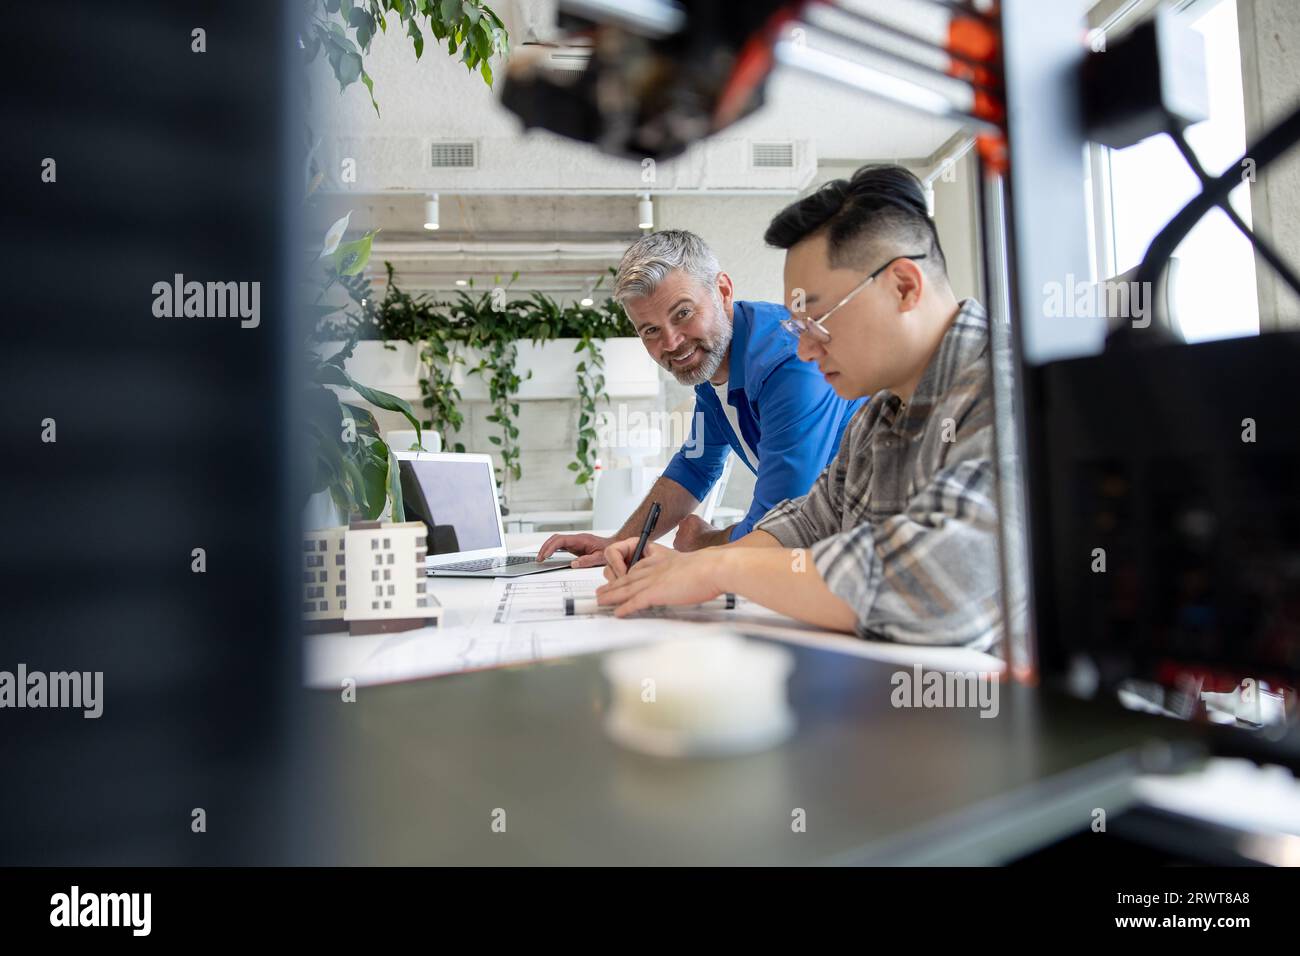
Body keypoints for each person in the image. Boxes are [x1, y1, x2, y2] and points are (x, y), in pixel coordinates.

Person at [595, 165, 1002, 650]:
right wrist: (693, 567)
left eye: (820, 319)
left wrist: (717, 564)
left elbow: (935, 590)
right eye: (798, 325)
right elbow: (808, 521)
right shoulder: (879, 416)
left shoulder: (1007, 392)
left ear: (903, 287)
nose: (807, 351)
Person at [537, 229, 864, 567]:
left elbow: (781, 525)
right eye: (650, 330)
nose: (672, 343)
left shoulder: (789, 362)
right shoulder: (711, 372)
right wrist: (618, 543)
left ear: (723, 291)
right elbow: (695, 467)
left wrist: (705, 543)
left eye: (683, 313)